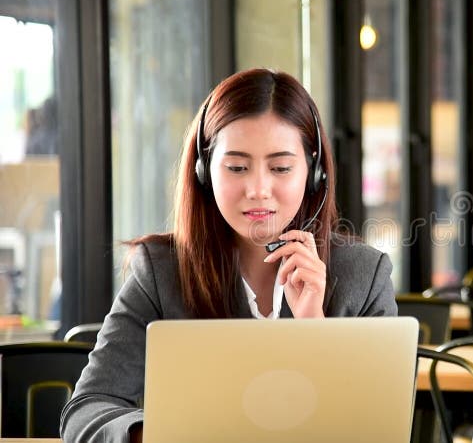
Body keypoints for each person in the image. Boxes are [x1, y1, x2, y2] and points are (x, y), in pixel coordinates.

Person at [60, 68, 397, 442]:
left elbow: (379, 430)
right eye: (236, 167)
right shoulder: (161, 271)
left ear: (313, 172)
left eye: (281, 168)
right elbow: (87, 407)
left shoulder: (364, 277)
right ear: (204, 171)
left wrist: (315, 332)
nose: (257, 189)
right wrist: (151, 434)